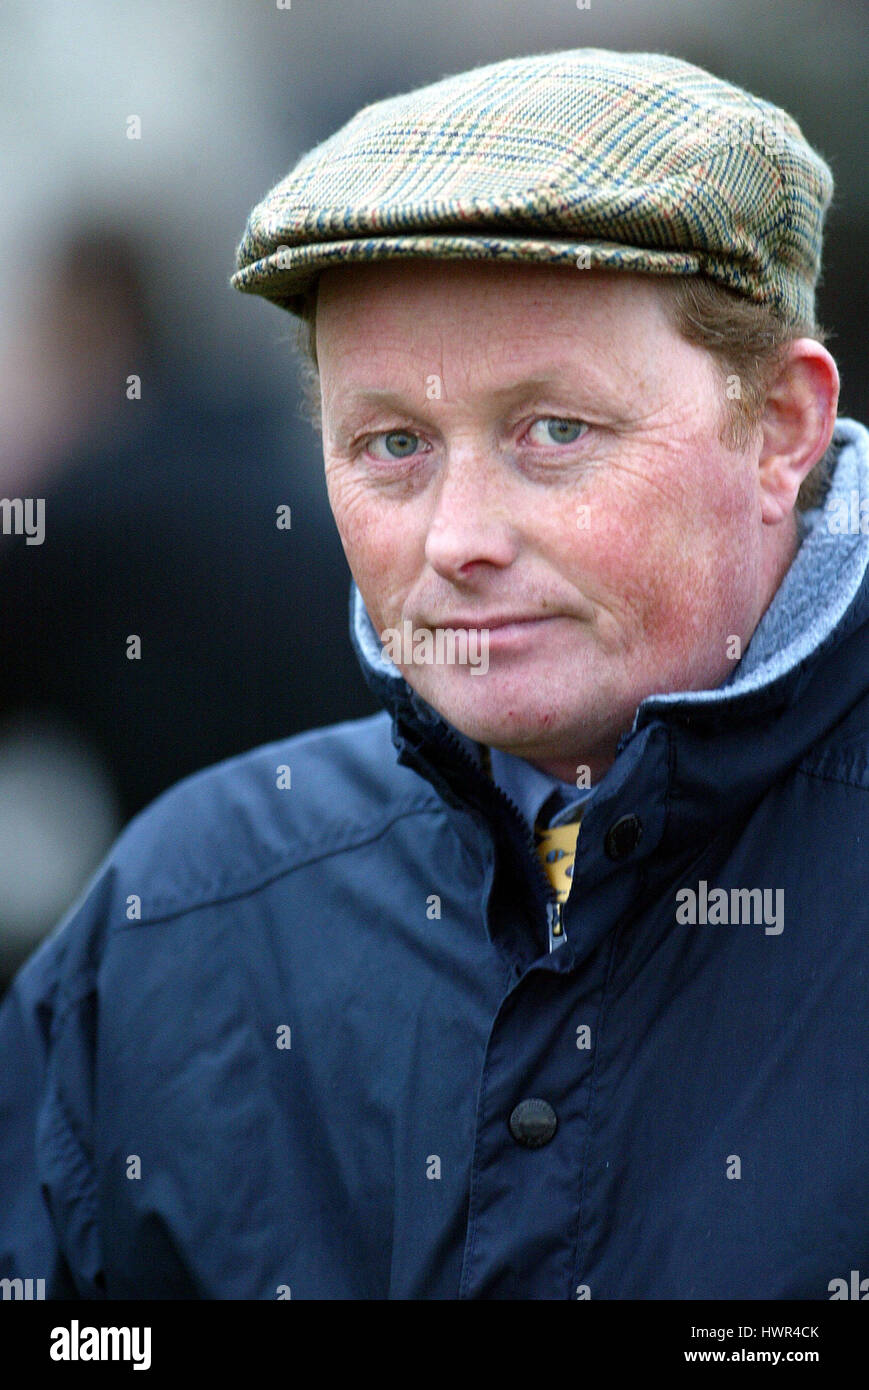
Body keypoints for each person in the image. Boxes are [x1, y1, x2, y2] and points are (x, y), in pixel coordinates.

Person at [1, 47, 867, 1301]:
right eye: (392, 443)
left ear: (778, 427)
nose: (457, 537)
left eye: (553, 432)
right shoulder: (177, 915)